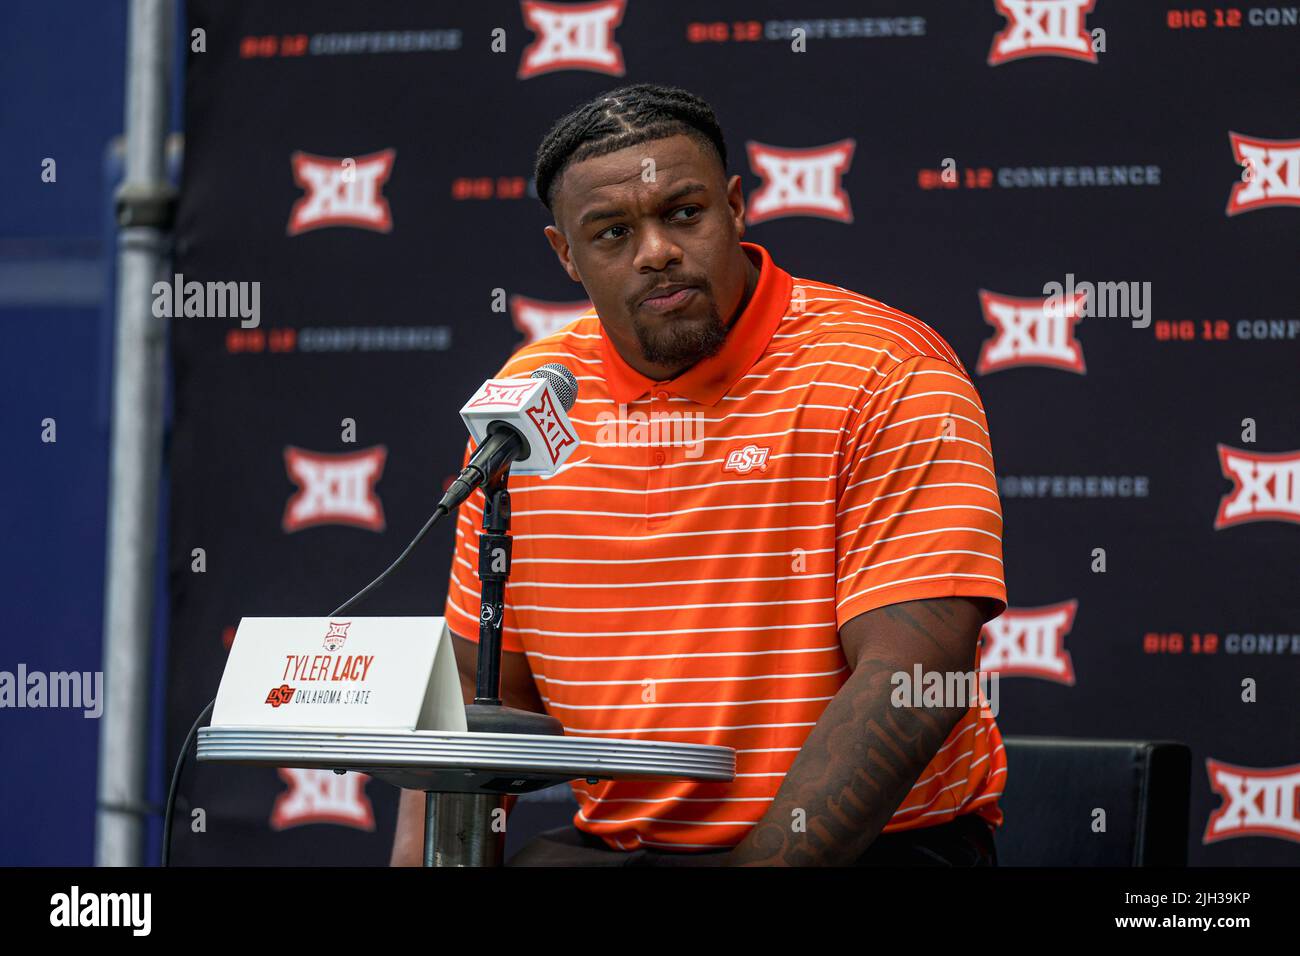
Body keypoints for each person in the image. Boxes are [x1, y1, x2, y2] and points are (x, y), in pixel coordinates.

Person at [391, 83, 1007, 867]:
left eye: (684, 213)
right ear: (565, 255)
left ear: (737, 207)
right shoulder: (530, 398)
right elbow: (485, 693)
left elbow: (913, 672)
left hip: (860, 849)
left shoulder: (884, 371)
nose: (656, 251)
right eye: (613, 232)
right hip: (618, 844)